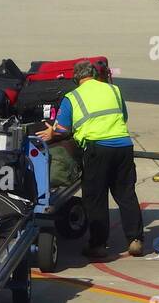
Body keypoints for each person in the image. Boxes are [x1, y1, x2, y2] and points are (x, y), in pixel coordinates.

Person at [38, 57, 144, 259]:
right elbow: (123, 117)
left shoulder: (72, 97)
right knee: (126, 194)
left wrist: (52, 133)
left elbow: (62, 129)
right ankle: (135, 240)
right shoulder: (114, 90)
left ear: (75, 78)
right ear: (94, 75)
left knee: (95, 198)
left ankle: (98, 244)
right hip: (123, 145)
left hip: (97, 149)